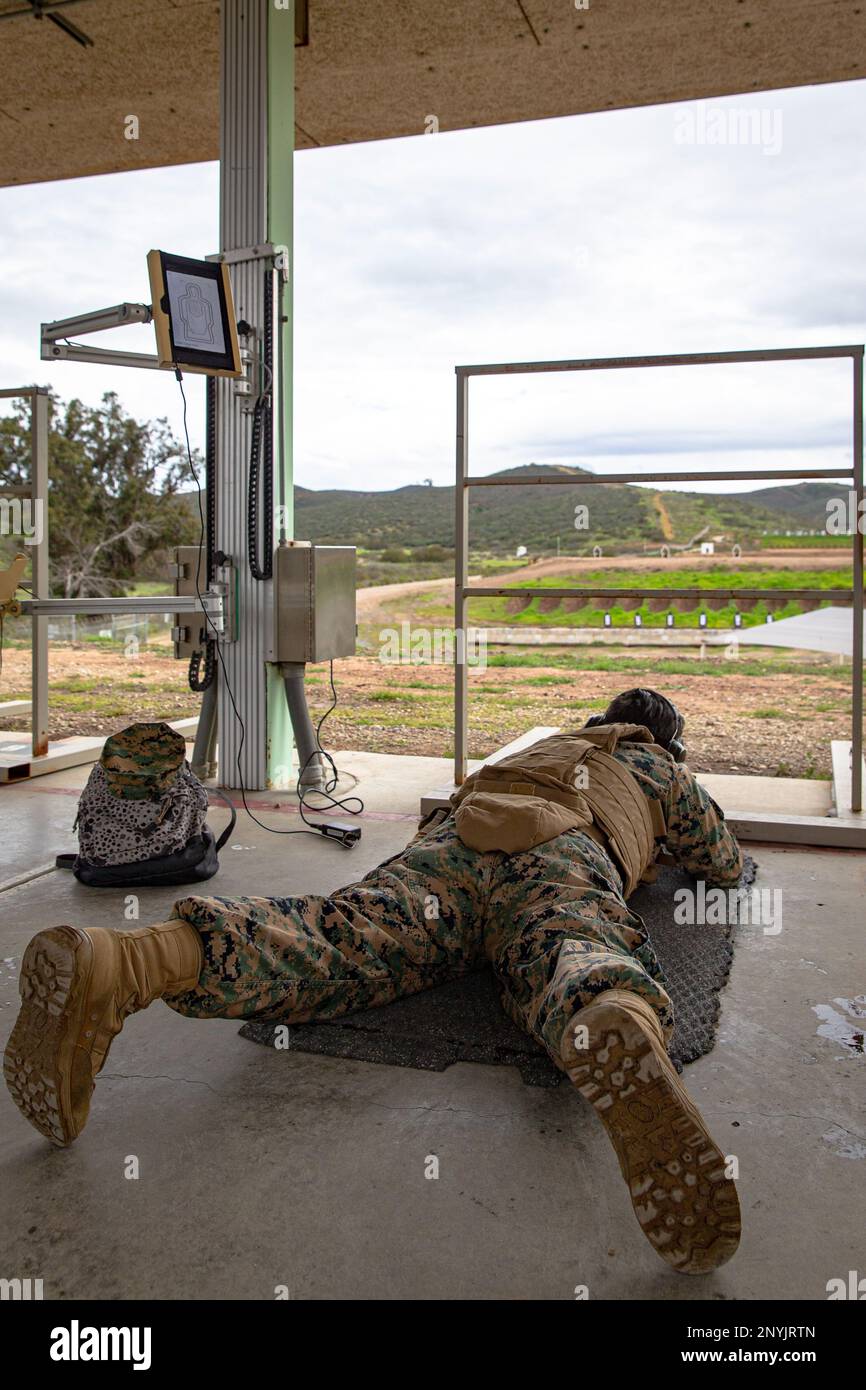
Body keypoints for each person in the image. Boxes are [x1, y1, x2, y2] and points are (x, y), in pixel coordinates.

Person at [4, 688, 743, 1275]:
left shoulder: (543, 744)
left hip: (456, 844)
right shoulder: (658, 766)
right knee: (570, 939)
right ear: (665, 740)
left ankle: (128, 961)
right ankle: (609, 1015)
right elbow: (722, 859)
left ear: (598, 719)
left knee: (340, 932)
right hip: (561, 849)